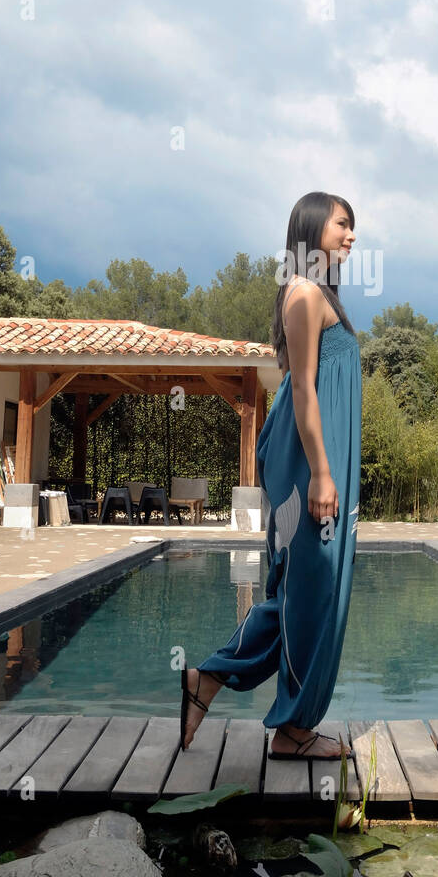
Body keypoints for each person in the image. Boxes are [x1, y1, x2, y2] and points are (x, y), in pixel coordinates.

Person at [180, 192, 362, 760]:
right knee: (314, 586)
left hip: (315, 455)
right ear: (312, 229)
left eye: (354, 227)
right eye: (342, 225)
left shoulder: (314, 294)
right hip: (309, 459)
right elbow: (304, 390)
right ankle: (291, 730)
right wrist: (322, 474)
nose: (352, 236)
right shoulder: (305, 294)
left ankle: (210, 682)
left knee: (305, 587)